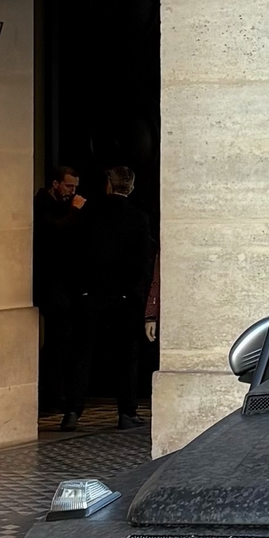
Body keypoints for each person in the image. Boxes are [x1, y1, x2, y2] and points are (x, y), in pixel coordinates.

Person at [82, 166, 152, 427]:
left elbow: (78, 252)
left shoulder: (90, 214)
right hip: (125, 298)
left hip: (92, 294)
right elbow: (143, 261)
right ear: (130, 187)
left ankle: (72, 411)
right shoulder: (138, 218)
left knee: (84, 353)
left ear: (108, 185)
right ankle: (127, 412)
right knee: (127, 357)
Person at [35, 165, 90, 429]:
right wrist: (75, 211)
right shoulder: (43, 203)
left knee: (63, 341)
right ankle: (52, 393)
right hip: (52, 285)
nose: (73, 192)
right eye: (69, 186)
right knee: (58, 340)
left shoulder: (64, 205)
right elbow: (53, 232)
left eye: (76, 187)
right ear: (55, 183)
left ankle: (57, 392)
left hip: (68, 285)